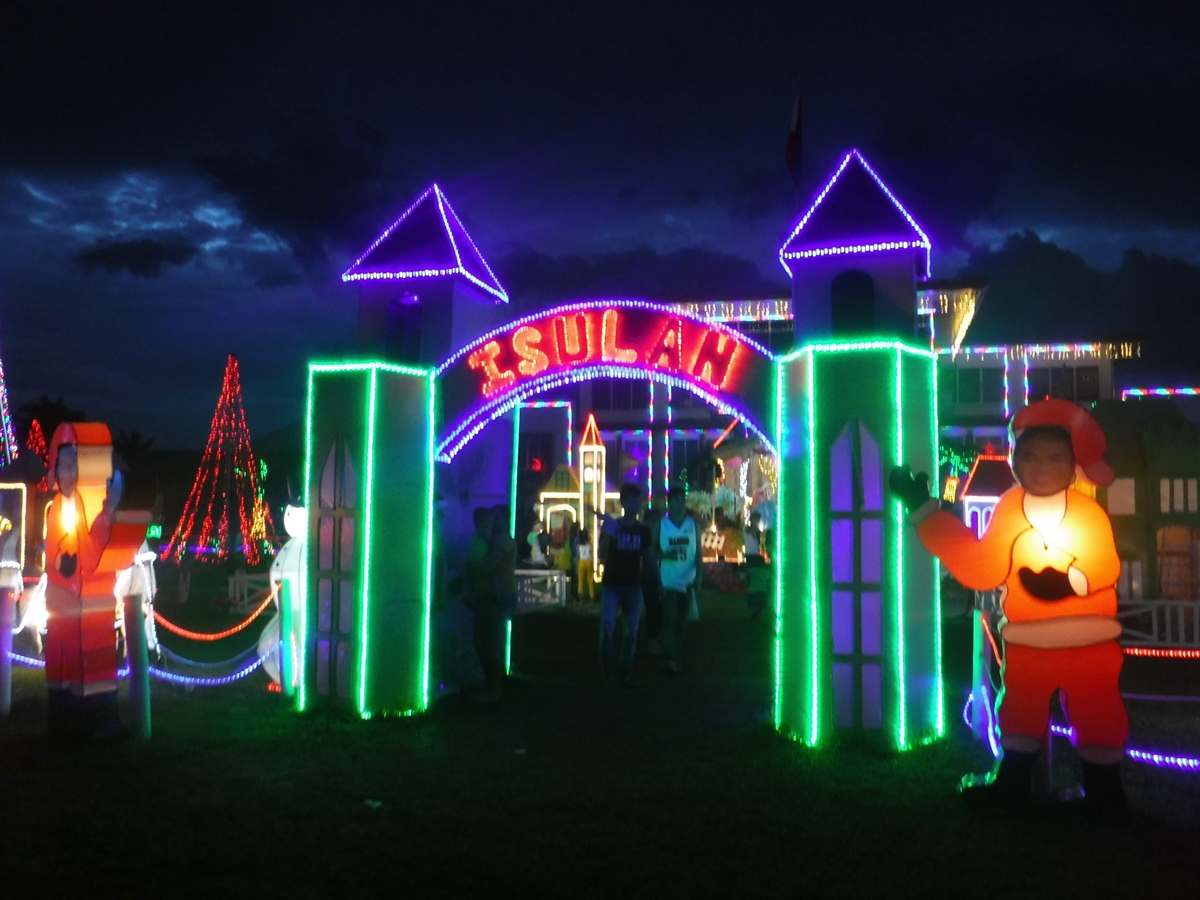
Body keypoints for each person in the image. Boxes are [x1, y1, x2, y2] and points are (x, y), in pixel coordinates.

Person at [891, 399, 1127, 814]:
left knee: (1097, 709)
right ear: (1015, 462)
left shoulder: (1089, 514)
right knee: (1020, 709)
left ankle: (1105, 795)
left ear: (1073, 464)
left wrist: (1069, 577)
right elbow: (982, 567)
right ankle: (1013, 785)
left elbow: (1104, 564)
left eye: (1056, 458)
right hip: (1027, 643)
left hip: (1089, 641)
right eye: (1031, 457)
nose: (1042, 467)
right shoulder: (1009, 511)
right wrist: (925, 511)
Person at [44, 423, 123, 739]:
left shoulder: (79, 504)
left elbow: (88, 553)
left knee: (78, 660)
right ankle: (60, 722)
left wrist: (106, 515)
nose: (68, 473)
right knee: (59, 658)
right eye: (63, 466)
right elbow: (56, 550)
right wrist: (63, 562)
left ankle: (81, 723)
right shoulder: (54, 509)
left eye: (73, 466)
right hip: (59, 600)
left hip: (80, 602)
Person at [597, 484, 653, 686]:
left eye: (638, 501)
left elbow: (648, 557)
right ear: (623, 503)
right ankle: (607, 671)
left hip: (633, 585)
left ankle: (624, 671)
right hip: (612, 583)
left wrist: (656, 580)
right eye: (632, 501)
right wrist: (609, 534)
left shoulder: (643, 530)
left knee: (631, 632)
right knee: (608, 628)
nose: (636, 505)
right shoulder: (614, 526)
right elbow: (601, 554)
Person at [654, 485, 701, 674]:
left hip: (687, 579)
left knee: (682, 620)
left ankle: (672, 651)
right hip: (668, 580)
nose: (679, 503)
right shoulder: (661, 524)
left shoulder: (692, 524)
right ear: (669, 502)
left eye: (682, 500)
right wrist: (665, 555)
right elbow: (652, 550)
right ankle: (670, 658)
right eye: (675, 500)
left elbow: (698, 552)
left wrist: (699, 576)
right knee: (670, 618)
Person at [466, 507, 503, 701]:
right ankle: (491, 686)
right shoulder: (481, 538)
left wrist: (473, 570)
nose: (492, 522)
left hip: (488, 596)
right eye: (490, 519)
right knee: (483, 643)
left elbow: (487, 567)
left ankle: (493, 688)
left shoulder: (487, 539)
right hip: (483, 595)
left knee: (486, 643)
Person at [641, 508, 664, 655]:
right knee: (652, 609)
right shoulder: (644, 536)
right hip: (646, 577)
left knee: (656, 610)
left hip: (654, 577)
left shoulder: (658, 536)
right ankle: (652, 640)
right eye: (653, 520)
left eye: (657, 520)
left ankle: (653, 640)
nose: (655, 523)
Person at [576, 528, 595, 602]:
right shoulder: (590, 544)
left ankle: (581, 596)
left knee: (581, 579)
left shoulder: (578, 545)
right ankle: (592, 596)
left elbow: (577, 556)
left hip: (582, 561)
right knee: (590, 579)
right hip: (589, 561)